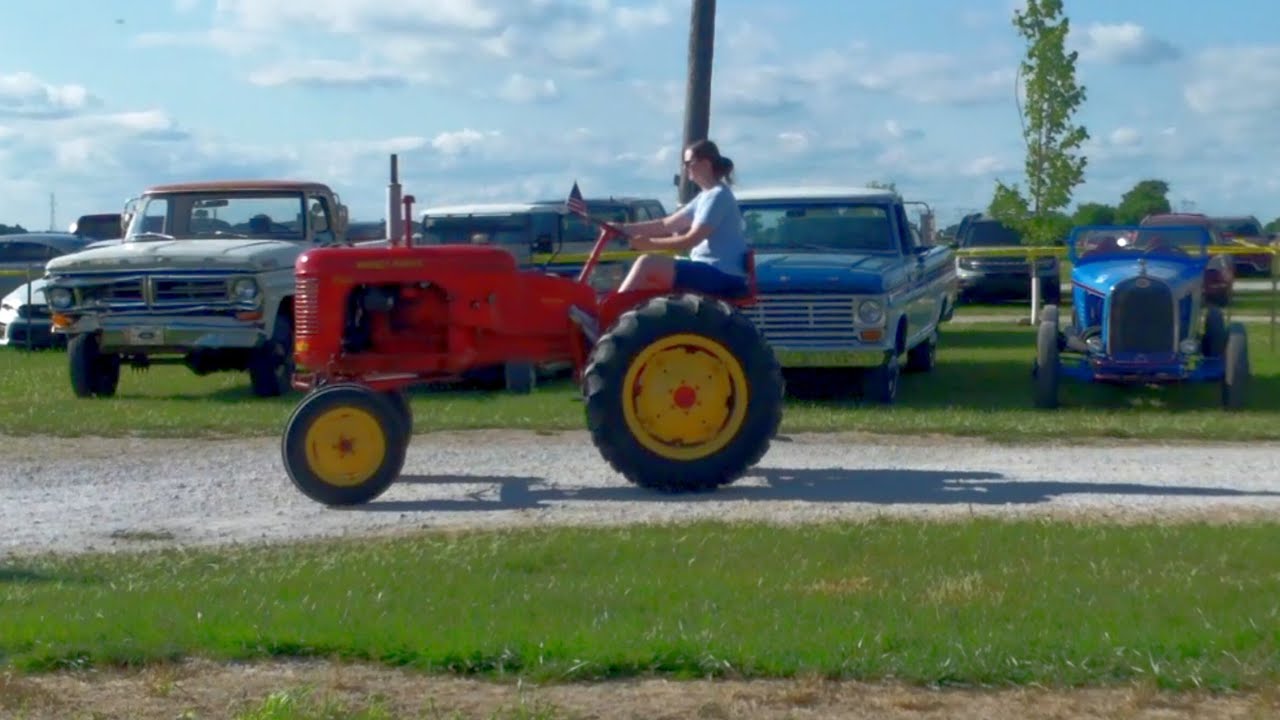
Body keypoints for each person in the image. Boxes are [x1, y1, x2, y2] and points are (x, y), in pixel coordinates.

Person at [614, 139, 749, 296]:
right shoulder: (706, 196)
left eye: (688, 163)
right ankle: (626, 308)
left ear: (705, 164)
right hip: (710, 270)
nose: (684, 168)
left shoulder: (717, 196)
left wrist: (649, 244)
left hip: (721, 274)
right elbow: (666, 224)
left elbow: (691, 240)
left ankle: (613, 309)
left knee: (647, 263)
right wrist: (622, 228)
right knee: (650, 278)